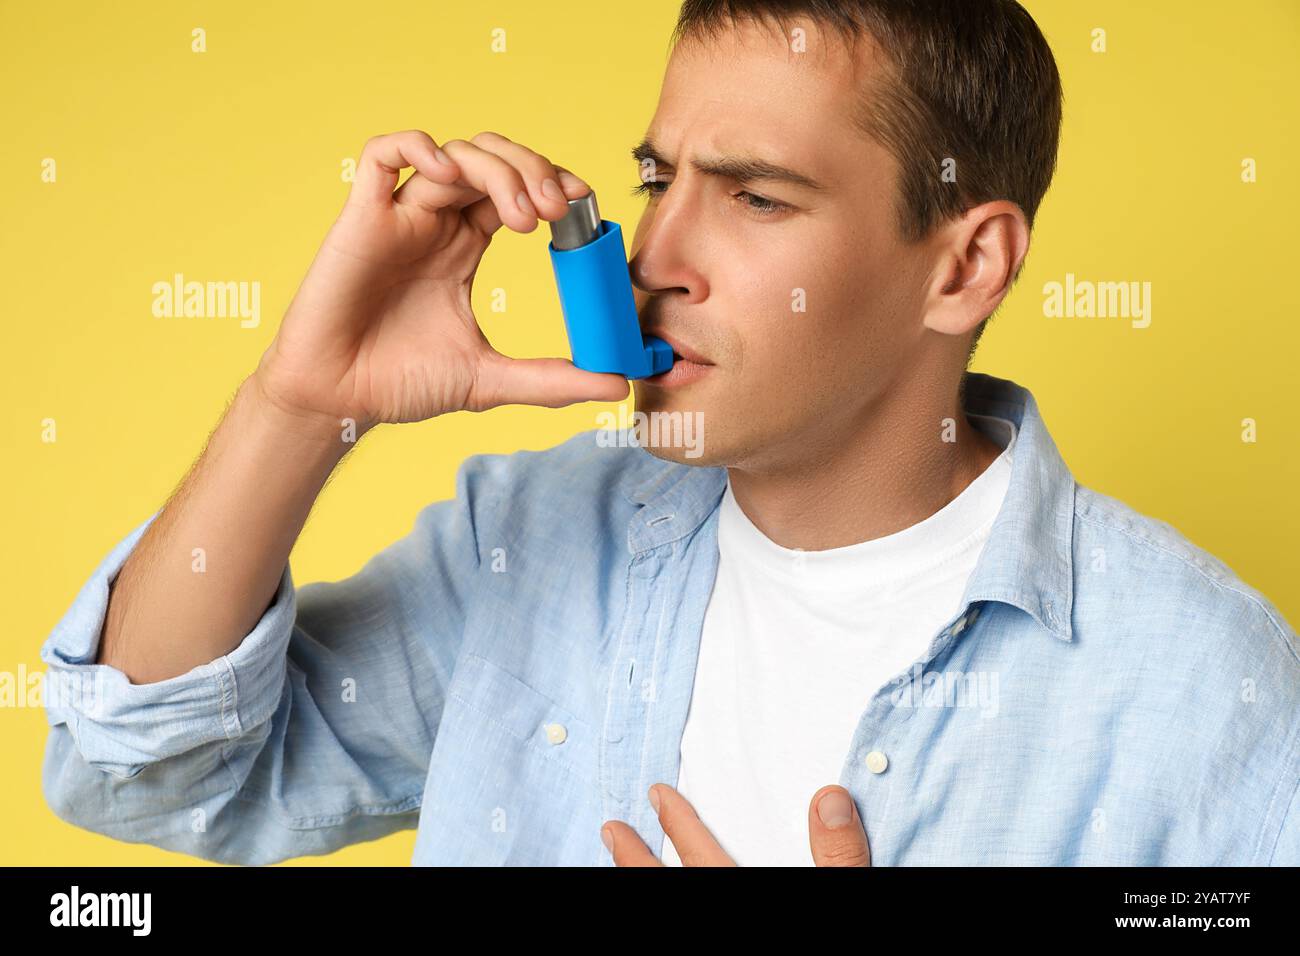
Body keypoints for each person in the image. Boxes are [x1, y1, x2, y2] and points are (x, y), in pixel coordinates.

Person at [41, 0, 1299, 866]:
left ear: (965, 266)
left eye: (755, 195)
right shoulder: (525, 545)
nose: (654, 256)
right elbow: (150, 771)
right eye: (658, 178)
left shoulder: (1200, 686)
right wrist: (302, 404)